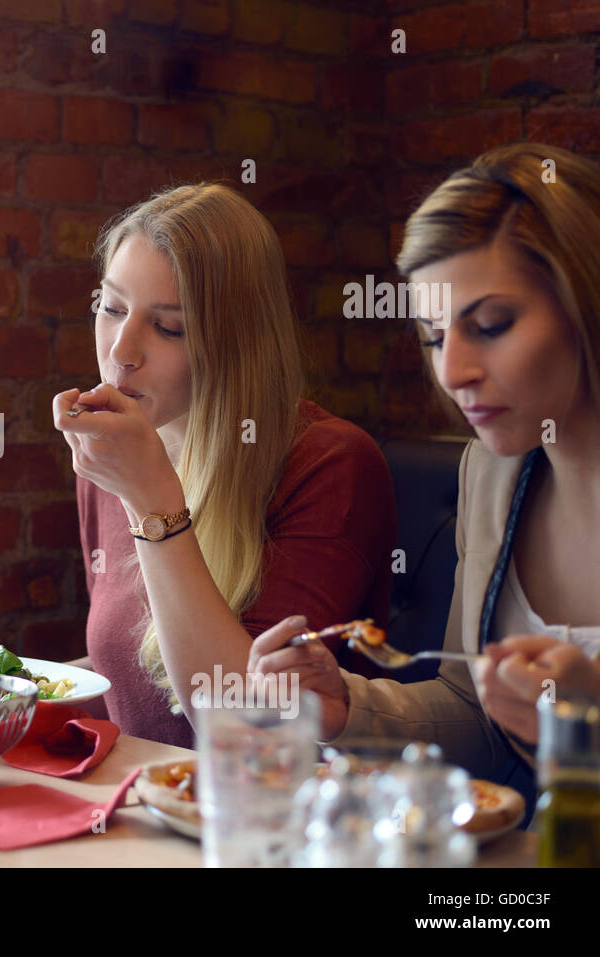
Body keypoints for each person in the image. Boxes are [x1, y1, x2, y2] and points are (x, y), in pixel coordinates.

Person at [0, 182, 397, 746]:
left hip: (264, 822)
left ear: (237, 343)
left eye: (169, 326)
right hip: (136, 814)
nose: (122, 350)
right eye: (112, 307)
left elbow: (248, 732)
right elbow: (131, 690)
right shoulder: (114, 457)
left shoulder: (331, 465)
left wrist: (152, 502)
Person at [250, 143, 600, 807]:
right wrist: (346, 707)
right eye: (436, 337)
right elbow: (479, 716)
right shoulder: (493, 475)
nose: (452, 371)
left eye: (490, 324)